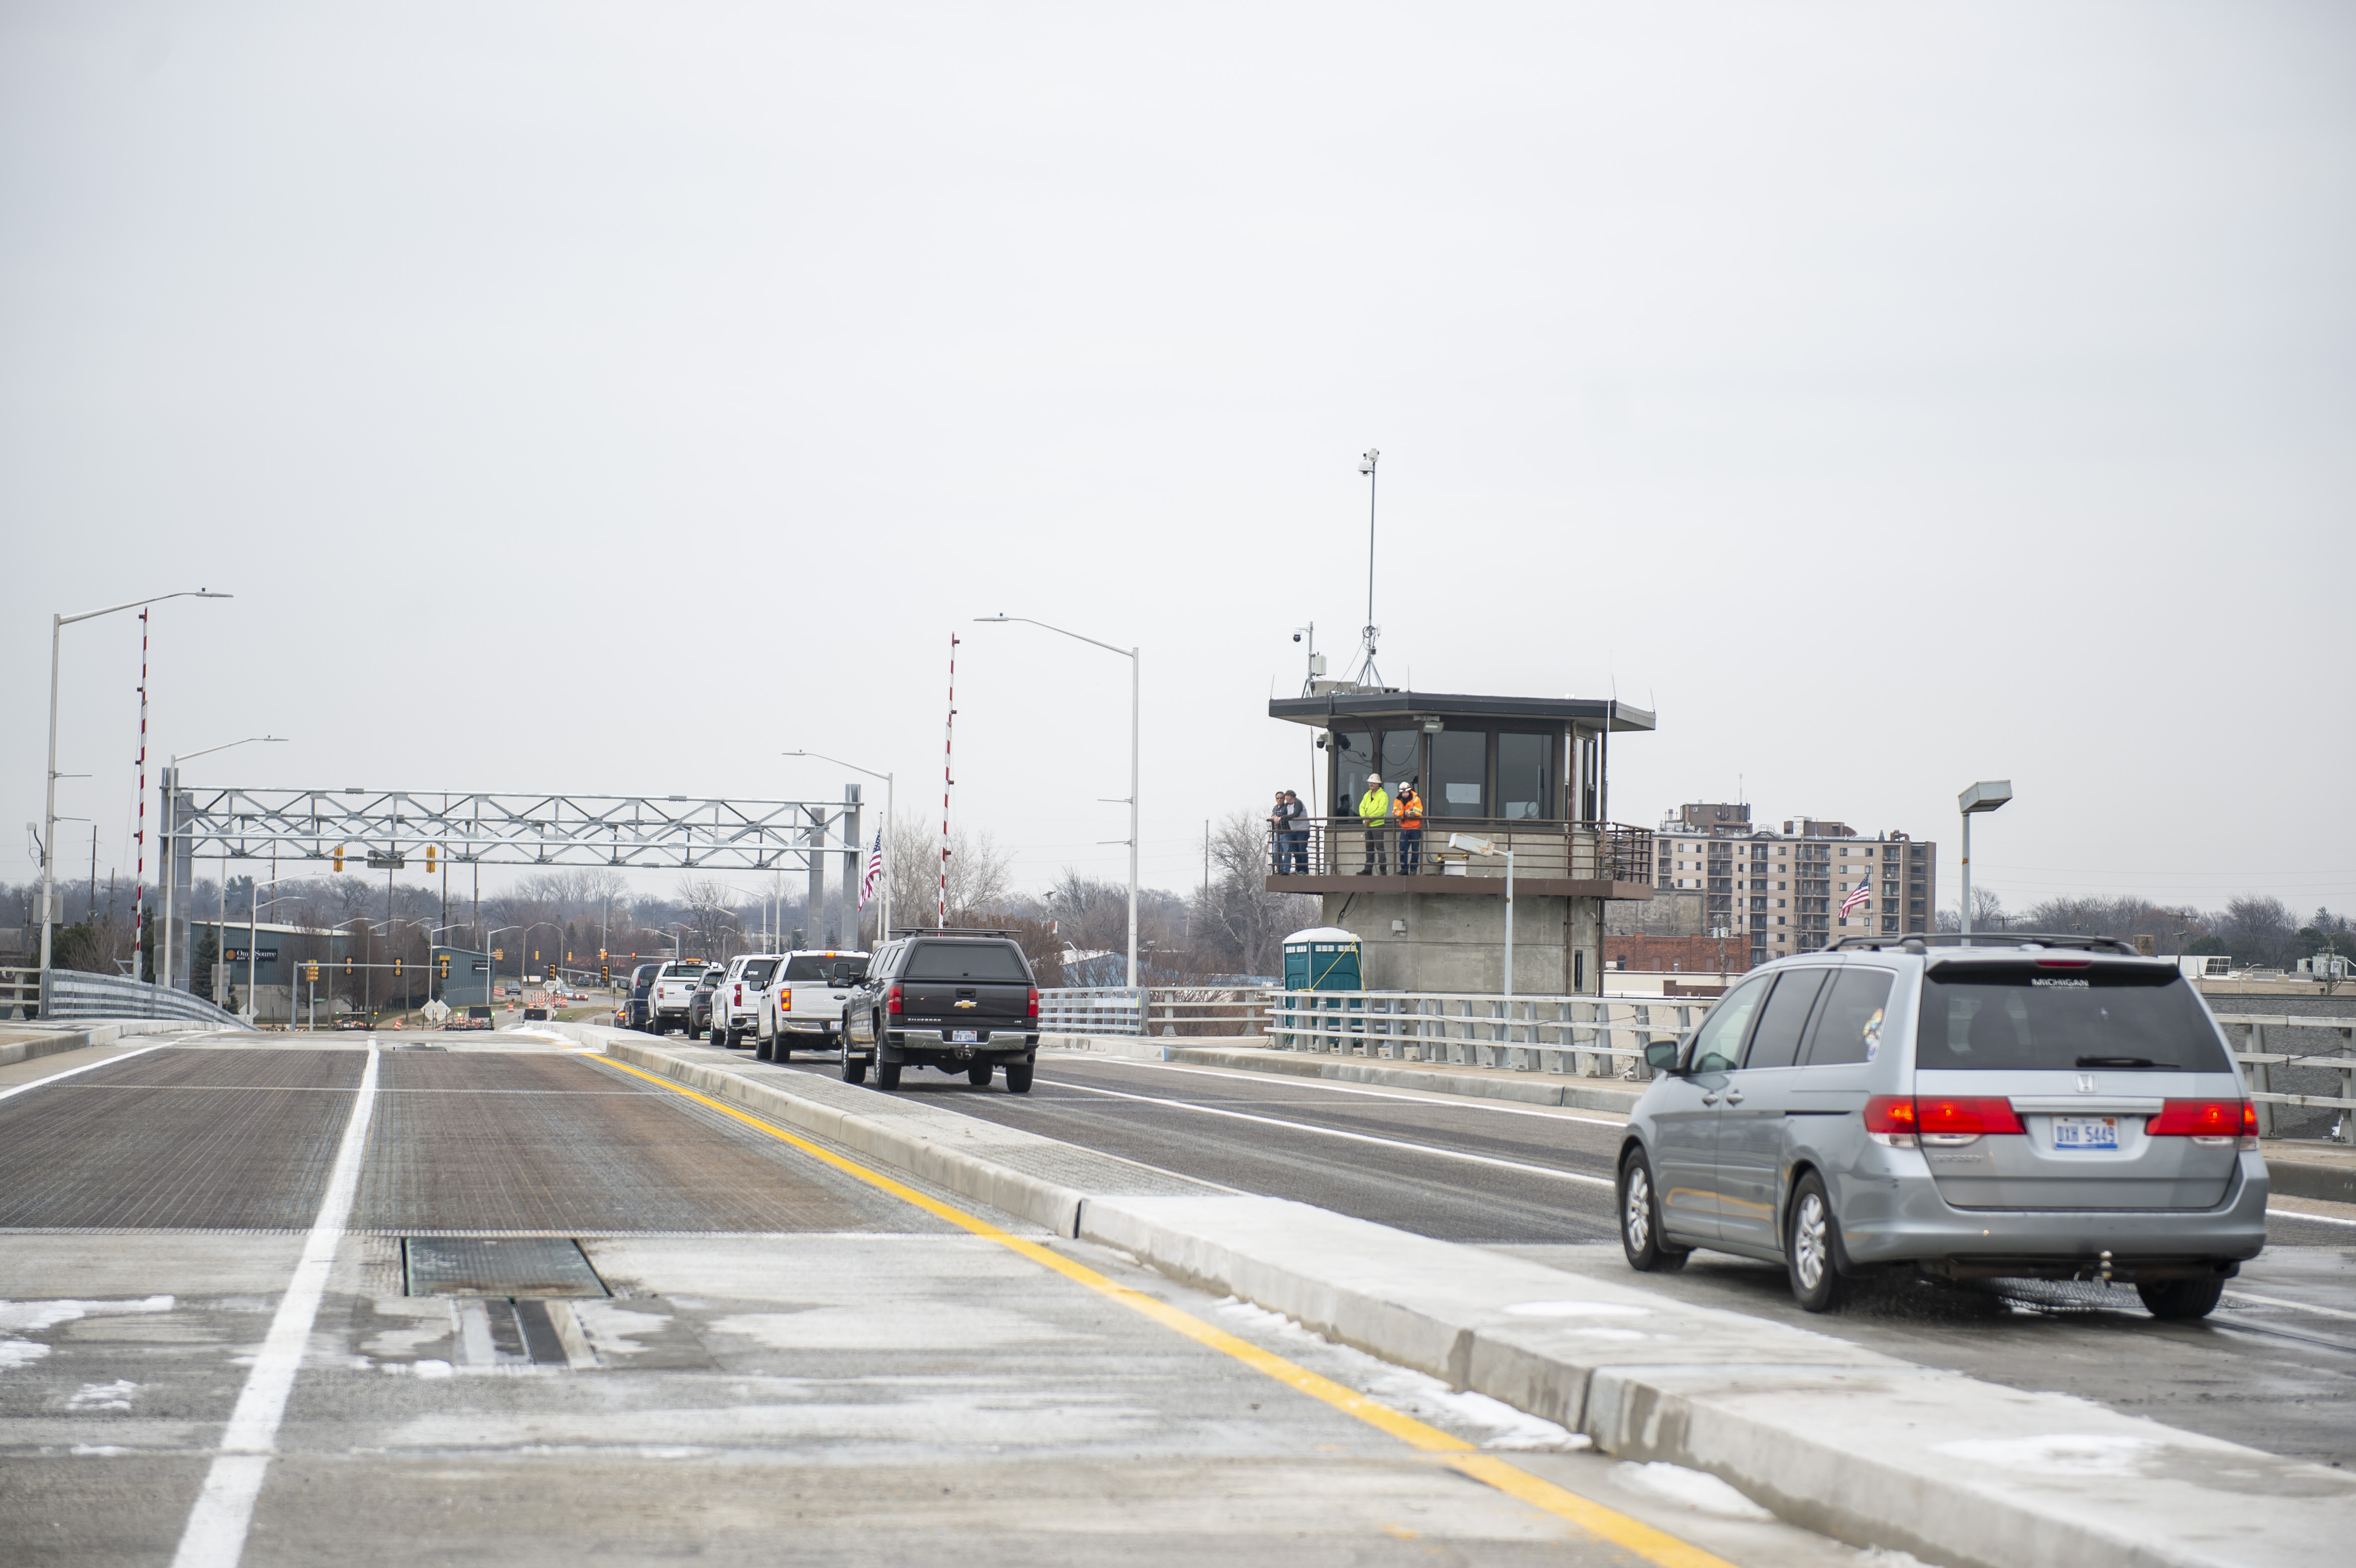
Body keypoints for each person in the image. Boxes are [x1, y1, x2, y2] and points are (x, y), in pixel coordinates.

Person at [1356, 773, 1392, 875]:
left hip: (1378, 824)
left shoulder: (1383, 795)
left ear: (1378, 784)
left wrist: (1369, 818)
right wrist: (1365, 818)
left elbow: (1382, 810)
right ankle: (1368, 869)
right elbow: (1361, 807)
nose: (1370, 784)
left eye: (1373, 782)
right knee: (1369, 847)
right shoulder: (1367, 794)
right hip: (1369, 825)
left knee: (1380, 847)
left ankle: (1383, 869)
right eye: (1370, 782)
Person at [1392, 780, 1425, 874]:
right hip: (1405, 829)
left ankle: (1414, 870)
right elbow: (1395, 812)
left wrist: (1408, 814)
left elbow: (1419, 812)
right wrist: (1404, 813)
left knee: (1415, 850)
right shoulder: (1398, 800)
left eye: (1406, 792)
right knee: (1403, 849)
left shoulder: (1416, 799)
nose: (1405, 794)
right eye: (1403, 793)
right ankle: (1404, 869)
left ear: (1409, 791)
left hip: (1415, 828)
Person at [1283, 790, 1311, 873]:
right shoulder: (1288, 805)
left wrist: (1282, 818)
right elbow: (1283, 813)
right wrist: (1276, 816)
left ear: (1290, 797)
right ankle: (1298, 869)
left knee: (1302, 850)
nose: (1285, 799)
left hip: (1302, 830)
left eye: (1286, 797)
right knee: (1295, 851)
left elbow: (1296, 814)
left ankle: (1305, 870)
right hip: (1294, 831)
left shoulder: (1298, 803)